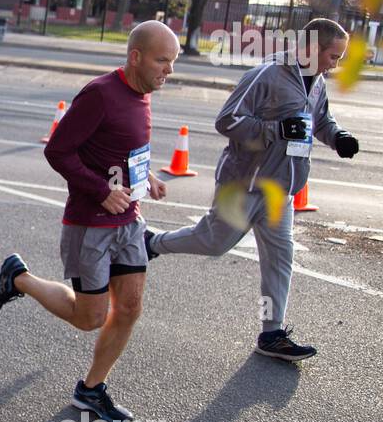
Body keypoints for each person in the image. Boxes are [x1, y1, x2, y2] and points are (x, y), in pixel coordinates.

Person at [0, 20, 180, 422]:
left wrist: (147, 178)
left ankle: (91, 390)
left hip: (129, 222)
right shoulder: (99, 94)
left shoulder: (143, 93)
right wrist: (101, 191)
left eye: (172, 62)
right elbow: (57, 151)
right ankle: (17, 278)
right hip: (91, 225)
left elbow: (122, 150)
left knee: (129, 307)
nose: (169, 70)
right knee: (89, 318)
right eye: (163, 60)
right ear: (136, 56)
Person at [145, 18, 359, 362]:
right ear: (312, 48)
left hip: (282, 190)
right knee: (213, 242)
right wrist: (275, 128)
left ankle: (271, 333)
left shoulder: (317, 82)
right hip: (244, 185)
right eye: (334, 56)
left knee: (280, 259)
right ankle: (151, 243)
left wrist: (338, 138)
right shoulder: (268, 75)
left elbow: (319, 121)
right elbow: (226, 120)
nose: (337, 64)